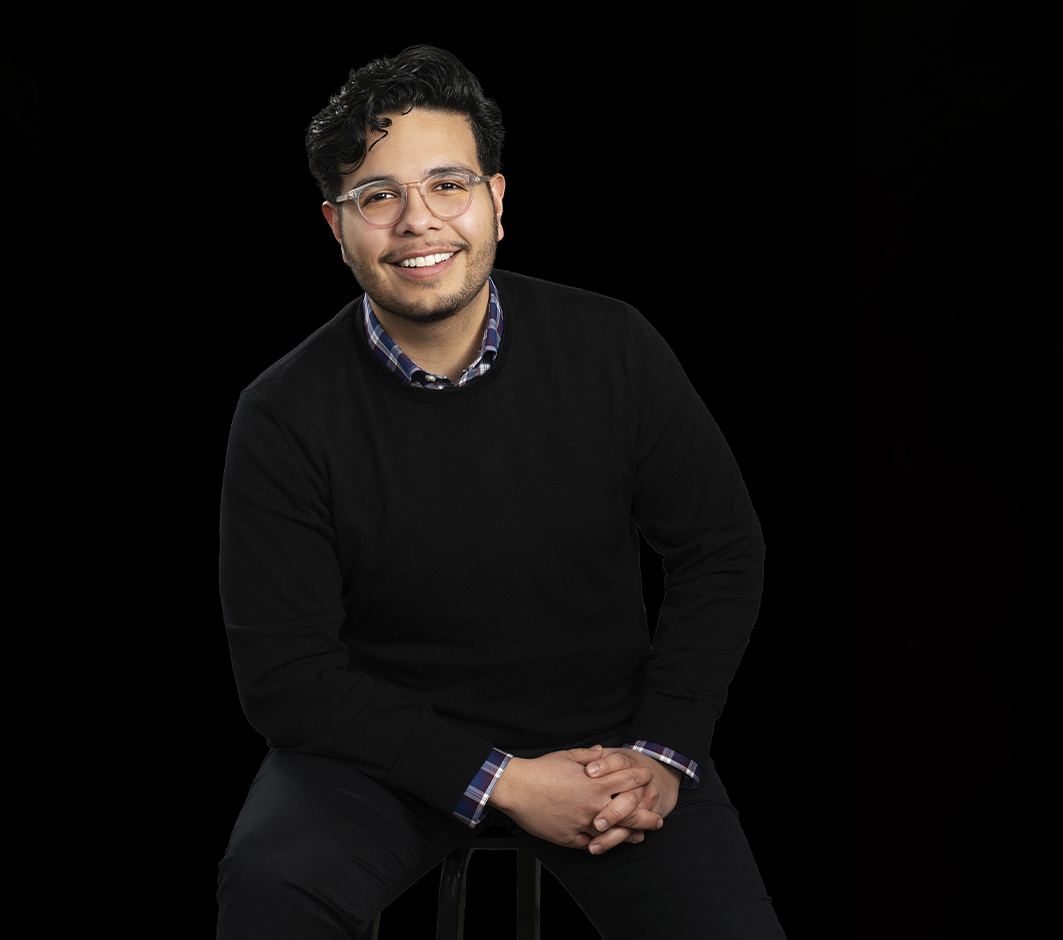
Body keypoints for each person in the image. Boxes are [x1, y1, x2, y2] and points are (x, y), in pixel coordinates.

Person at [216, 45, 785, 939]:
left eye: (449, 184)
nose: (418, 221)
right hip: (376, 756)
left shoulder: (613, 345)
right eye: (378, 196)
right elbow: (286, 676)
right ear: (336, 226)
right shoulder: (283, 413)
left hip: (608, 743)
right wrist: (507, 782)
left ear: (497, 201)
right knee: (270, 888)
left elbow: (720, 549)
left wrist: (665, 746)